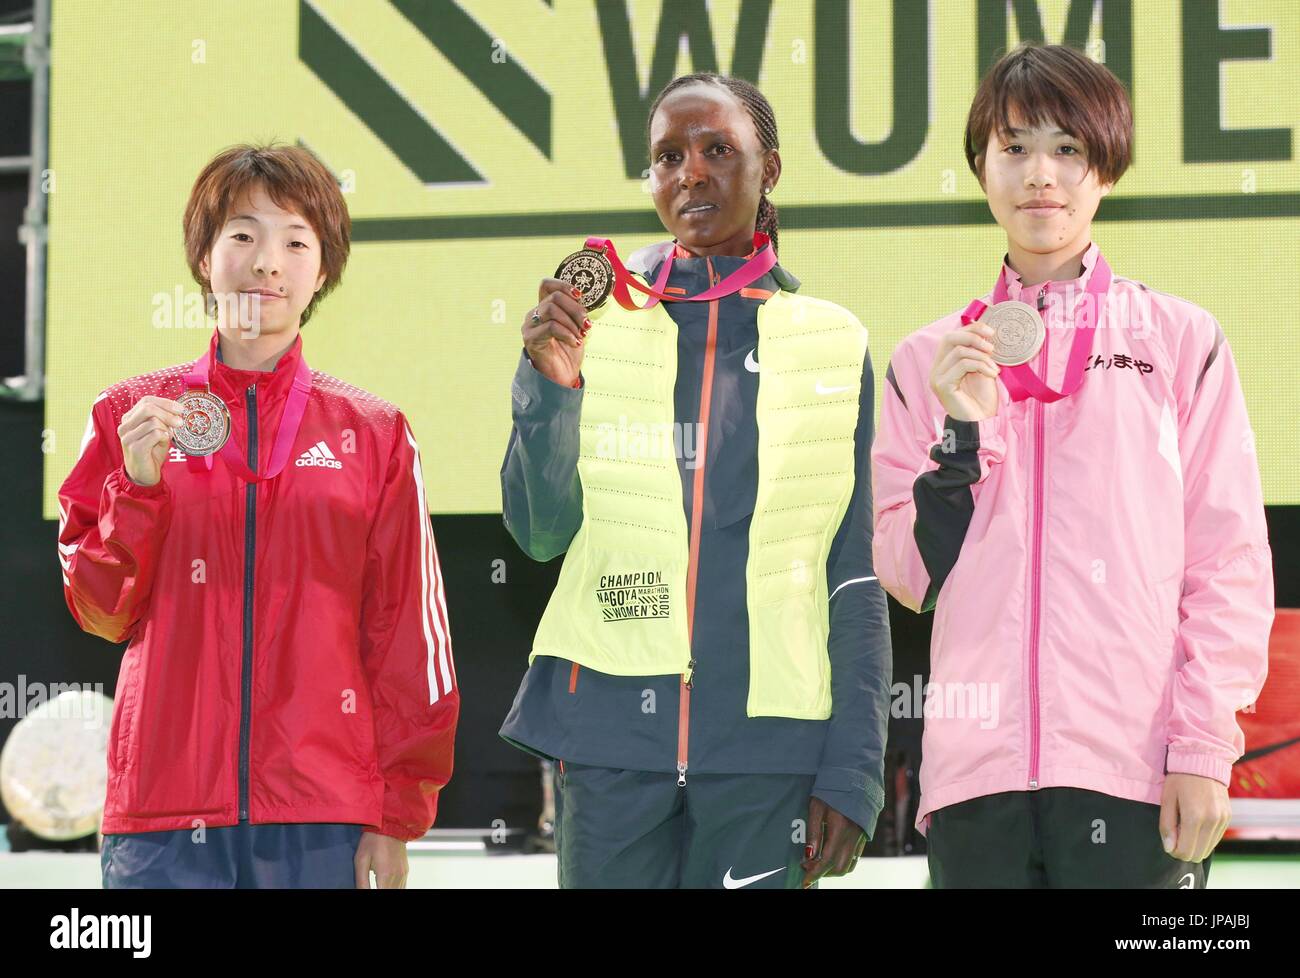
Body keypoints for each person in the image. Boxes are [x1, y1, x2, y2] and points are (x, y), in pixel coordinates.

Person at [871, 43, 1273, 888]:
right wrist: (960, 437)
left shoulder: (1181, 342)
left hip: (1135, 769)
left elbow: (1227, 561)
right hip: (976, 775)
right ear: (981, 164)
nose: (1039, 175)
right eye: (1013, 148)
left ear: (1107, 168)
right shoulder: (926, 362)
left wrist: (1202, 746)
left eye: (1068, 148)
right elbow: (907, 574)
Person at [498, 72, 892, 889]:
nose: (691, 173)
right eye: (668, 156)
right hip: (608, 747)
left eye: (719, 150)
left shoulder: (831, 340)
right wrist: (548, 391)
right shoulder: (591, 326)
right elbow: (539, 532)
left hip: (766, 756)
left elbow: (852, 572)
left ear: (770, 168)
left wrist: (852, 770)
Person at [57, 143, 459, 888]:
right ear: (204, 259)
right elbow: (98, 611)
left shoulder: (373, 433)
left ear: (323, 271)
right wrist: (137, 491)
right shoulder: (128, 415)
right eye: (242, 235)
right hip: (161, 819)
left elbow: (408, 633)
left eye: (296, 241)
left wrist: (397, 812)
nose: (267, 262)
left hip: (321, 818)